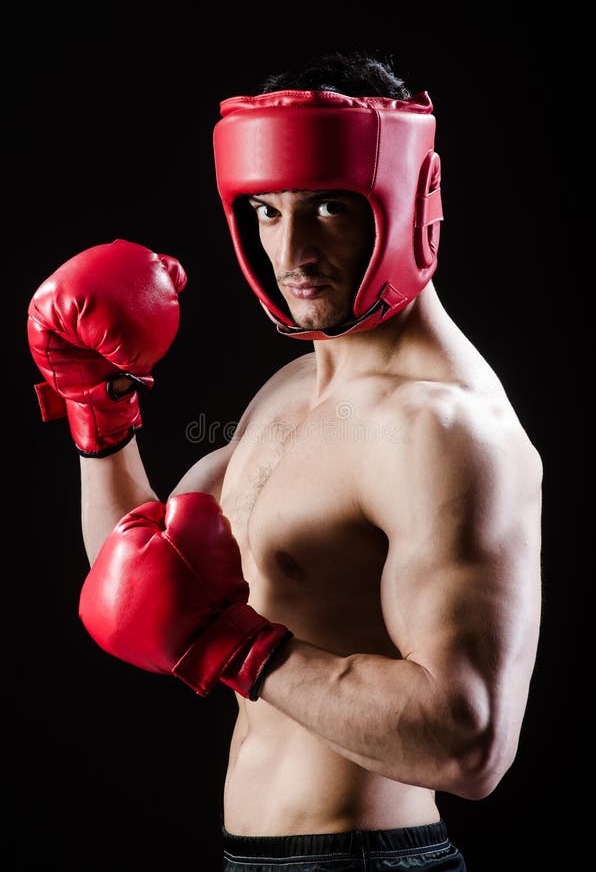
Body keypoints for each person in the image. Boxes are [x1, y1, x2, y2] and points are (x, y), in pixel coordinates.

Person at [27, 51, 543, 871]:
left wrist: (233, 648)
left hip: (369, 860)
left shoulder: (444, 428)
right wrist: (101, 409)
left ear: (409, 202)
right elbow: (138, 586)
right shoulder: (297, 383)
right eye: (267, 211)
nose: (292, 251)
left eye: (330, 209)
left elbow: (470, 746)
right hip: (255, 855)